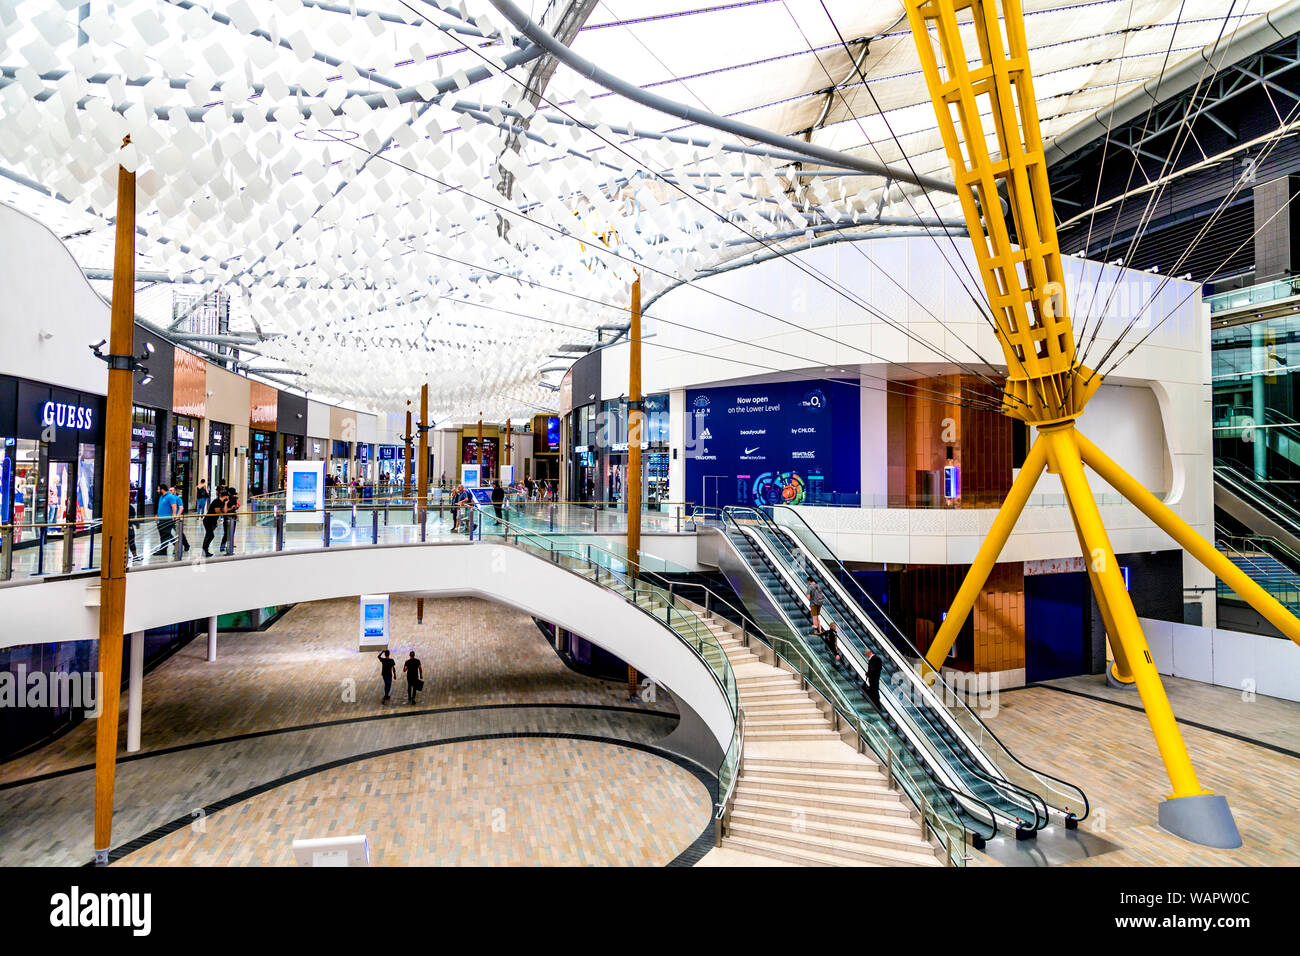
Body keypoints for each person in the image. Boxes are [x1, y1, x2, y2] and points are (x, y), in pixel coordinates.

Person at [219, 484, 239, 555]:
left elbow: (235, 507)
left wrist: (235, 508)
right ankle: (223, 546)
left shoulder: (234, 499)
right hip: (227, 517)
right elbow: (224, 510)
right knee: (226, 533)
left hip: (233, 517)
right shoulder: (225, 500)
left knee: (232, 532)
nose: (233, 496)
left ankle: (229, 546)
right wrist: (229, 508)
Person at [202, 490, 223, 557]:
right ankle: (205, 548)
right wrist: (223, 513)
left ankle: (205, 548)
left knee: (208, 535)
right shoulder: (217, 501)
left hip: (211, 521)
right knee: (211, 535)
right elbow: (217, 511)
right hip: (208, 520)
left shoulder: (221, 502)